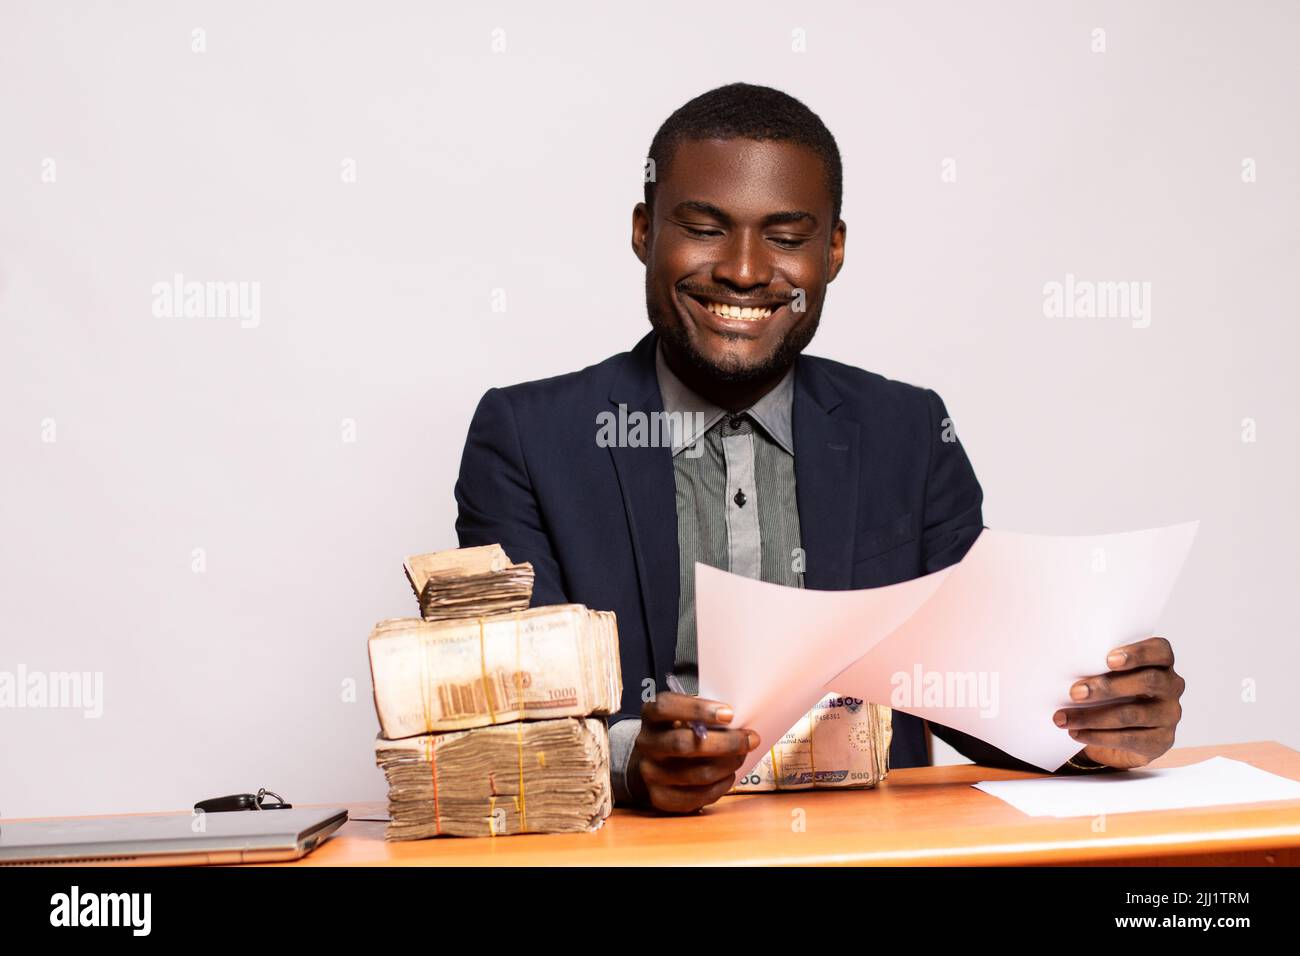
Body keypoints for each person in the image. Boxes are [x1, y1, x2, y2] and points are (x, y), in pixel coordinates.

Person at [454, 83, 1185, 813]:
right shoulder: (526, 439)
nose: (743, 270)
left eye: (785, 237)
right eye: (705, 227)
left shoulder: (908, 433)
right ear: (645, 231)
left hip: (874, 859)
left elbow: (978, 695)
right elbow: (512, 717)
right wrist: (627, 762)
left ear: (832, 250)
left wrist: (1093, 730)